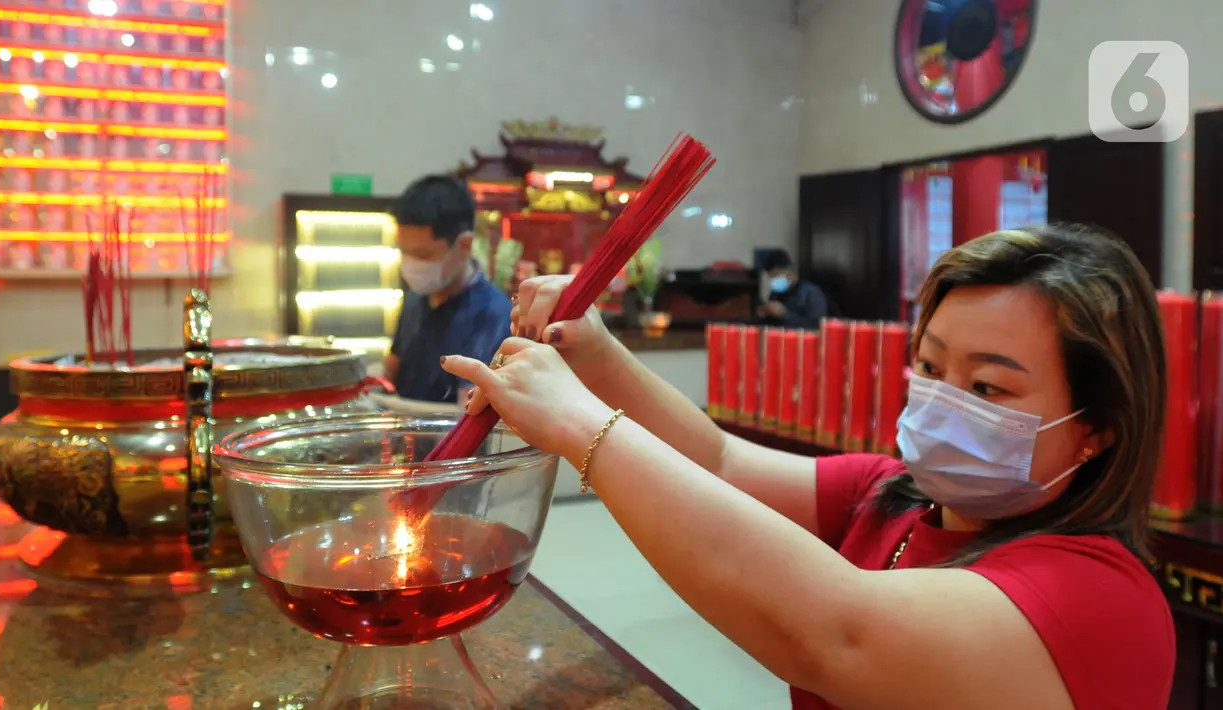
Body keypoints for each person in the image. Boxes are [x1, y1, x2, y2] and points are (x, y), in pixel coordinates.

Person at [443, 224, 1174, 710]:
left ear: (1094, 434)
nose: (944, 402)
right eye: (928, 366)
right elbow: (719, 461)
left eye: (987, 388)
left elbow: (835, 635)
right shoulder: (890, 495)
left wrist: (576, 422)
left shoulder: (1097, 597)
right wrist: (595, 352)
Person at [383, 175, 511, 404]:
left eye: (423, 255)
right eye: (404, 252)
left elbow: (468, 412)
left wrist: (393, 409)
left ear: (464, 245)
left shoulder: (493, 315)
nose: (411, 265)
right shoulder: (415, 298)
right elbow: (392, 368)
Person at [756, 250, 833, 328]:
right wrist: (766, 311)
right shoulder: (776, 293)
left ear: (790, 272)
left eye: (777, 275)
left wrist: (784, 314)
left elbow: (815, 325)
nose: (774, 280)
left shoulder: (811, 293)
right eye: (771, 277)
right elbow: (772, 323)